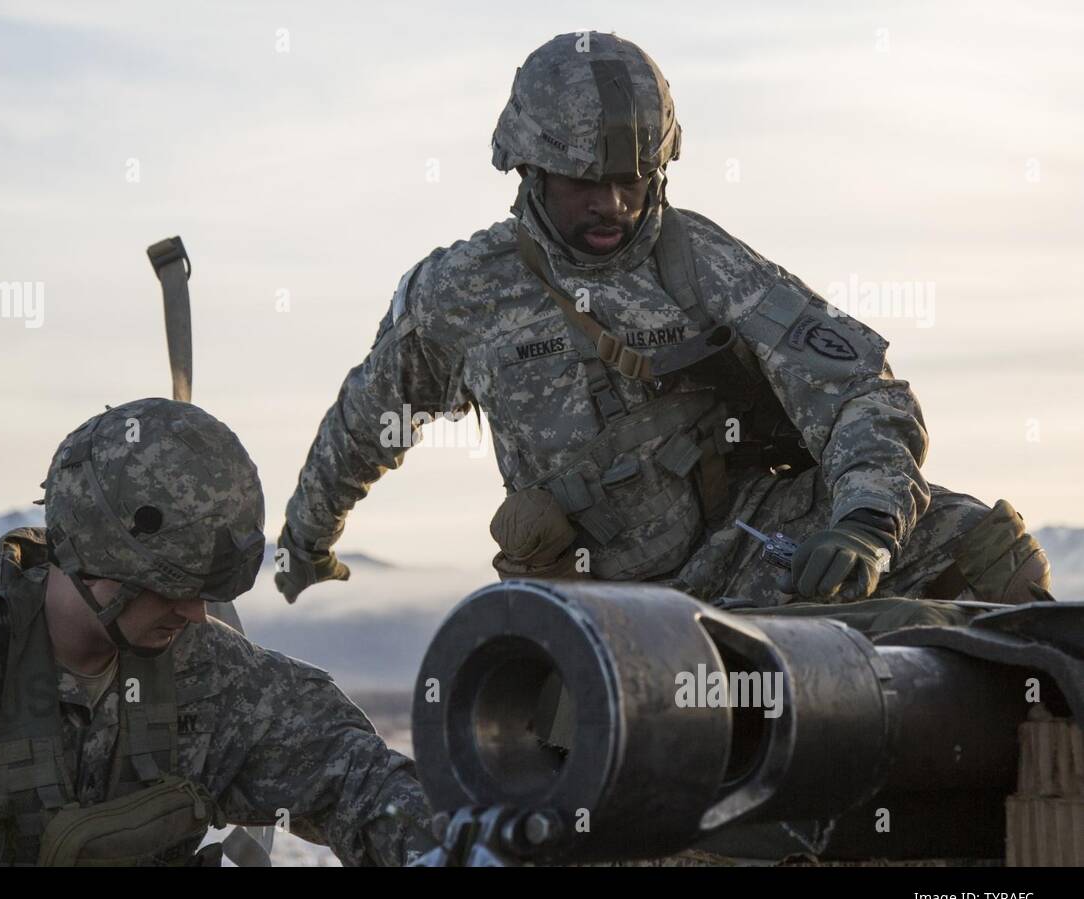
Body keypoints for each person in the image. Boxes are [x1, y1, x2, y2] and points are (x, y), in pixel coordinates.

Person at [275, 32, 1051, 608]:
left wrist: (865, 522)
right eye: (586, 183)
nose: (612, 203)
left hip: (745, 548)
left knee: (985, 549)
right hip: (597, 596)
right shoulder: (460, 295)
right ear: (530, 170)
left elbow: (856, 392)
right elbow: (365, 422)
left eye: (632, 180)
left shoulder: (703, 263)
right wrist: (308, 543)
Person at [0, 398, 432, 866]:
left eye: (205, 595)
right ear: (95, 558)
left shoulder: (201, 669)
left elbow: (350, 775)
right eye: (171, 590)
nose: (194, 616)